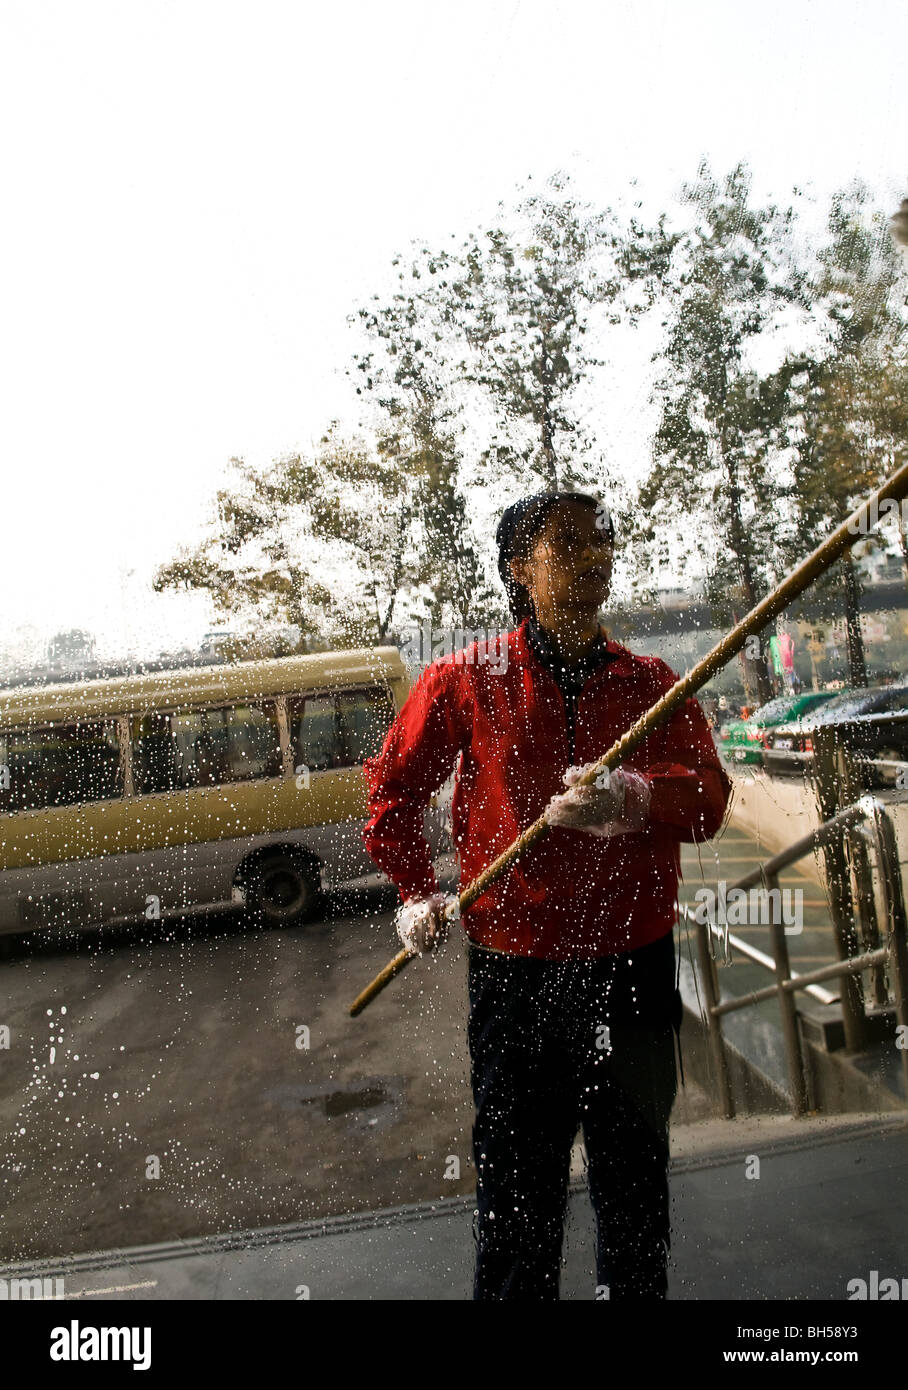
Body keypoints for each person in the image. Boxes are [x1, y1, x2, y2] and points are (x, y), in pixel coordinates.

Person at [361, 490, 733, 1300]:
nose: (594, 555)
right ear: (518, 570)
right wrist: (416, 892)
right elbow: (391, 792)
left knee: (635, 1188)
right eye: (568, 543)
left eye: (603, 540)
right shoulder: (466, 677)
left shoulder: (654, 684)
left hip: (632, 972)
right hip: (515, 977)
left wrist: (635, 798)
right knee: (517, 1199)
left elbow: (708, 800)